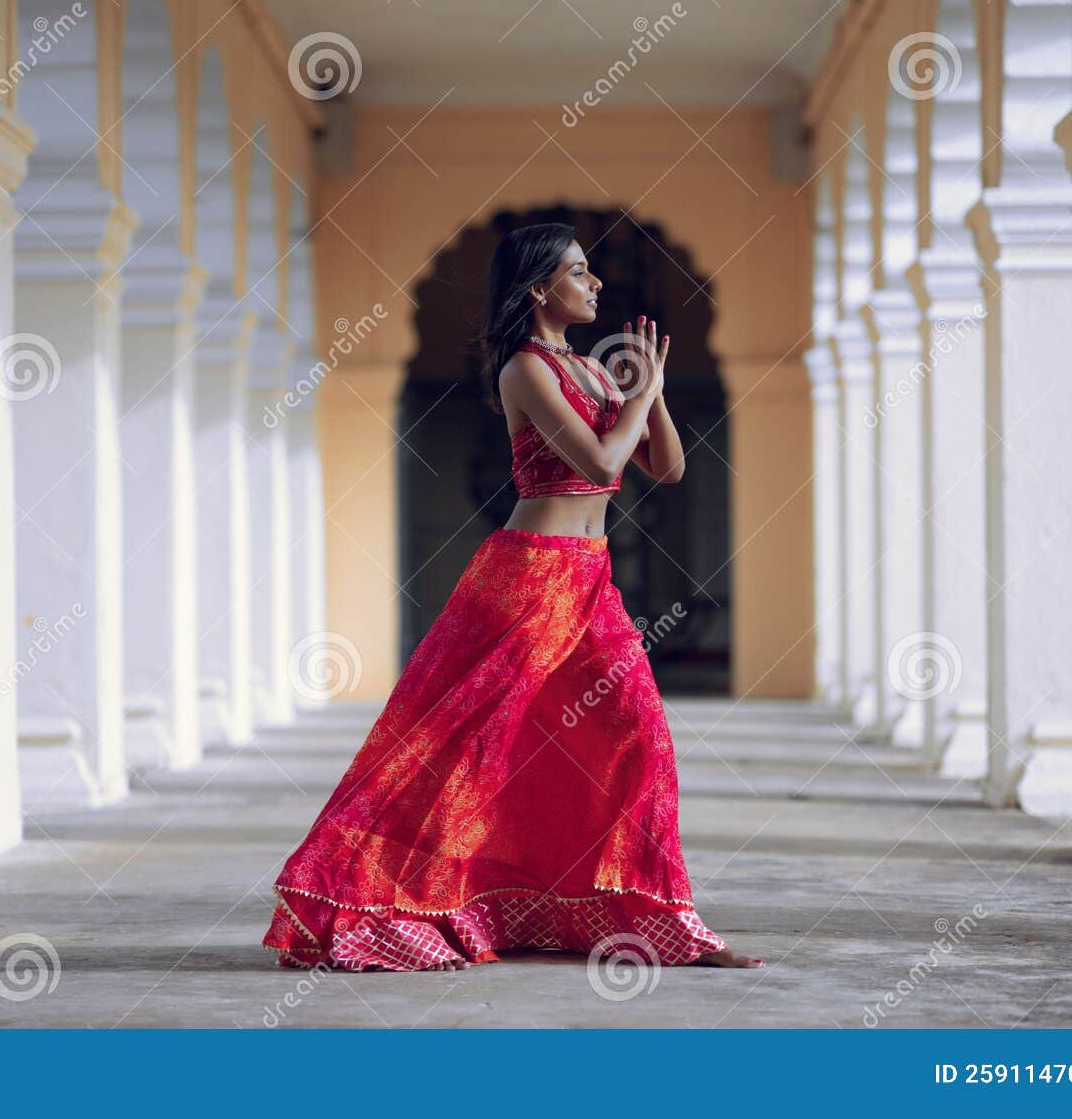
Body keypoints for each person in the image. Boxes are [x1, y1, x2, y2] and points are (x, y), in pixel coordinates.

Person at [261, 222, 765, 972]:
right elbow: (597, 462)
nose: (595, 283)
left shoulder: (591, 372)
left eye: (593, 272)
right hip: (529, 574)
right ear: (540, 289)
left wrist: (645, 395)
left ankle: (661, 918)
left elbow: (665, 467)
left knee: (638, 736)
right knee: (471, 745)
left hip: (589, 577)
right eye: (579, 272)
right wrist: (643, 396)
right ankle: (378, 900)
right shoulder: (524, 370)